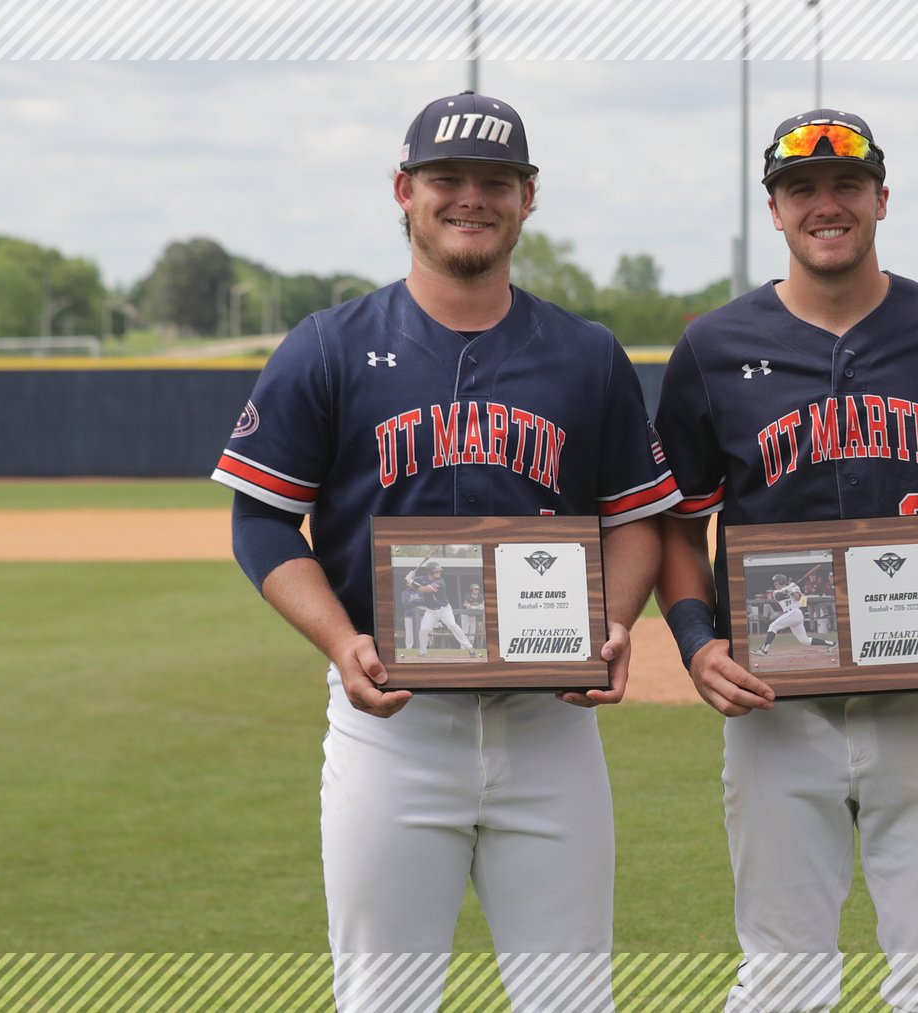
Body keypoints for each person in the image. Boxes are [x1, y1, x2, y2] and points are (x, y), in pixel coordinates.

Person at [210, 91, 679, 1012]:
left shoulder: (586, 356)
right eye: (447, 179)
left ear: (528, 197)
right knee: (384, 998)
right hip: (394, 731)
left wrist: (616, 620)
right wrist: (343, 644)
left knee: (572, 998)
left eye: (495, 182)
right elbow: (260, 521)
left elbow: (635, 517)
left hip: (551, 726)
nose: (472, 198)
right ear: (404, 190)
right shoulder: (327, 347)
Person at [652, 108, 918, 1012]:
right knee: (782, 975)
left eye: (845, 185)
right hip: (775, 706)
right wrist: (697, 641)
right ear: (776, 210)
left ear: (880, 197)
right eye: (801, 189)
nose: (825, 204)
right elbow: (678, 525)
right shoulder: (715, 346)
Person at [751, 571, 837, 655]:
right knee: (804, 640)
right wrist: (786, 590)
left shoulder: (794, 588)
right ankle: (832, 643)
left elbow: (798, 598)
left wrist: (791, 592)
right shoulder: (775, 592)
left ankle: (764, 650)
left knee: (772, 627)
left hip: (795, 612)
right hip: (791, 615)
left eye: (776, 581)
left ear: (781, 581)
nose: (775, 583)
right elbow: (779, 596)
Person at [408, 561, 478, 658]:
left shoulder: (440, 582)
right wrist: (410, 578)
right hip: (431, 611)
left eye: (439, 571)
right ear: (430, 572)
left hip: (444, 610)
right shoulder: (423, 579)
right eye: (436, 571)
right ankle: (422, 651)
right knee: (424, 630)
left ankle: (469, 647)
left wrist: (411, 581)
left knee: (452, 625)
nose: (438, 572)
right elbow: (412, 584)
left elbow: (424, 589)